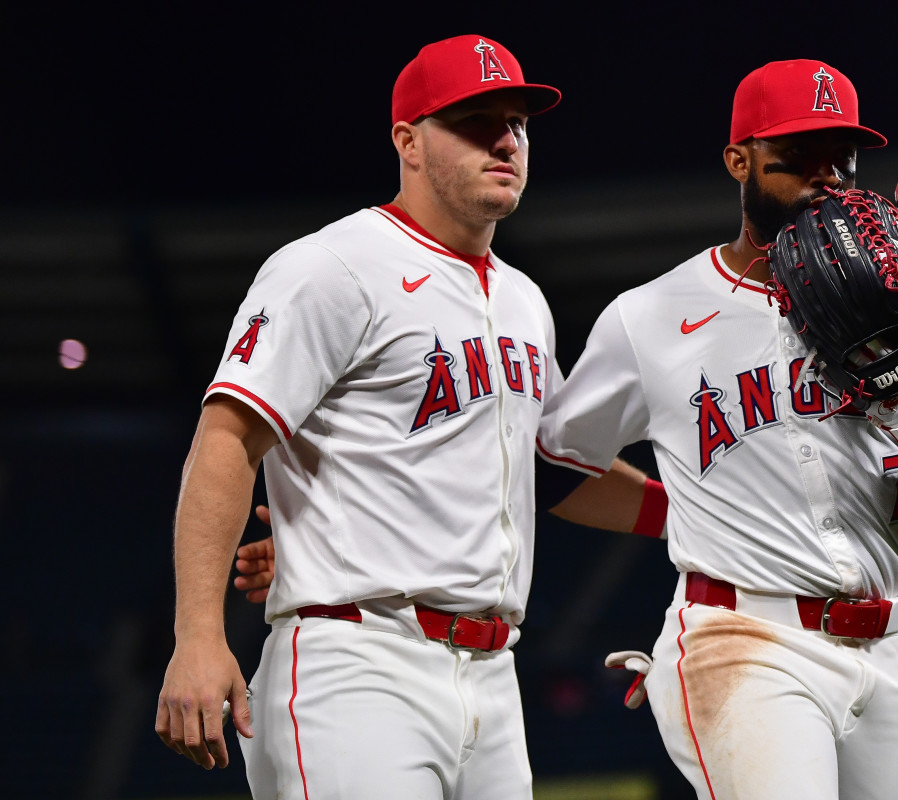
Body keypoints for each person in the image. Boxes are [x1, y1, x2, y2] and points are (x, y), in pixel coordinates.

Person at [153, 34, 666, 800]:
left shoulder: (524, 300)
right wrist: (197, 633)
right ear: (408, 141)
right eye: (474, 120)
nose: (505, 139)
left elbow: (549, 471)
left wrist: (689, 514)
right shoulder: (333, 266)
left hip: (493, 678)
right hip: (359, 665)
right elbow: (226, 439)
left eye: (519, 122)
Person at [535, 58, 898, 800]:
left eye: (842, 156)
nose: (826, 177)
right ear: (739, 162)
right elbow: (554, 469)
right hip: (743, 638)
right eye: (796, 158)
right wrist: (688, 518)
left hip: (887, 648)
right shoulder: (649, 316)